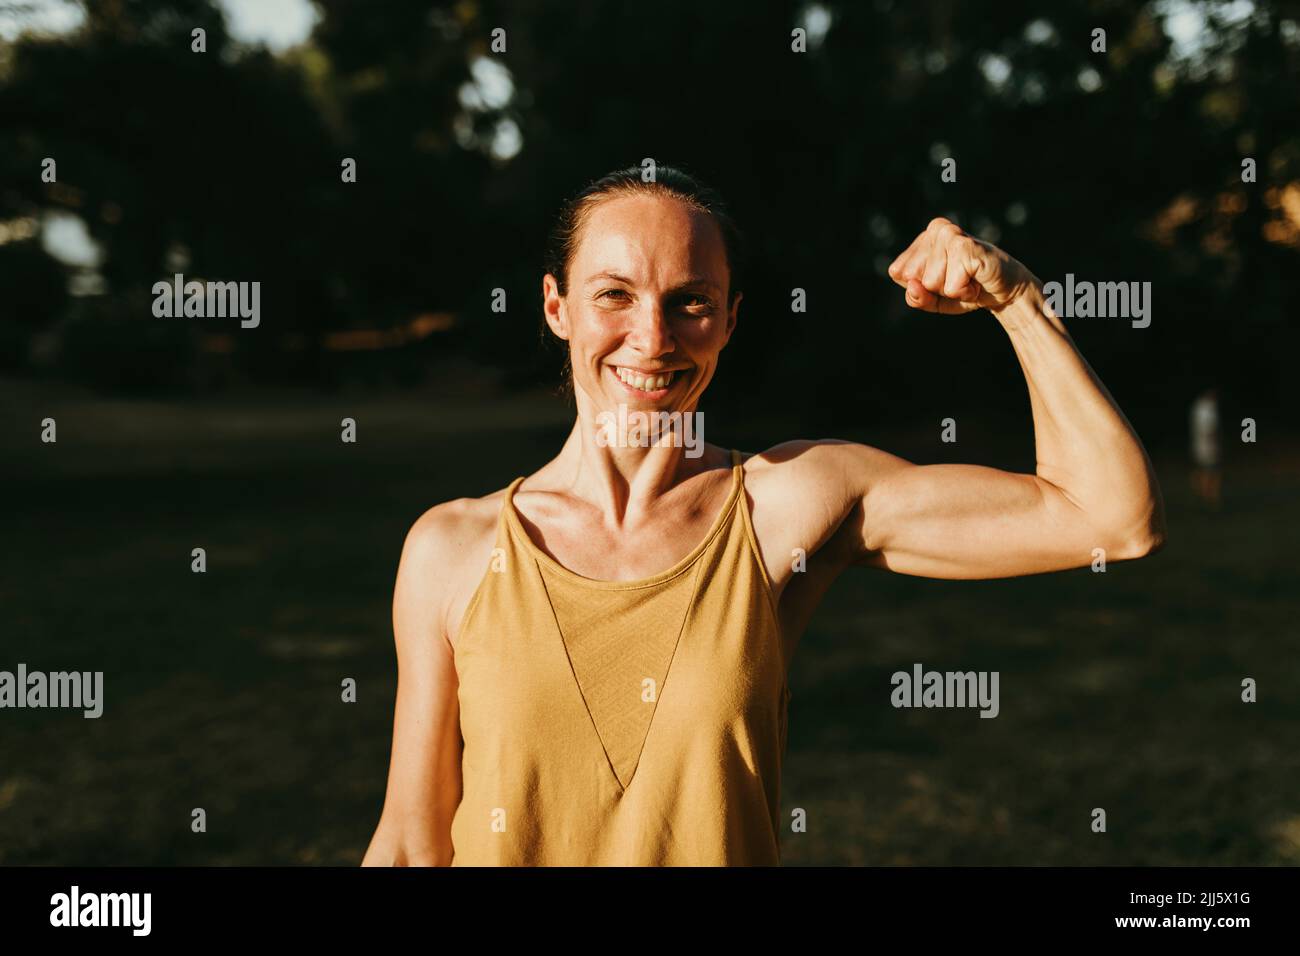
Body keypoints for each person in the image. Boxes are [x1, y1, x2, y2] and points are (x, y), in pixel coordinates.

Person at [361, 165, 1166, 866]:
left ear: (729, 322)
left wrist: (1017, 299)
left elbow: (1109, 518)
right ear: (556, 306)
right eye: (615, 295)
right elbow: (409, 845)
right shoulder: (452, 549)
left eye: (691, 302)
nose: (653, 337)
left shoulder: (790, 505)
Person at [1190, 387, 1222, 508]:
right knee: (1212, 471)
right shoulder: (1208, 408)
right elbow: (1210, 428)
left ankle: (1202, 493)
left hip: (1198, 443)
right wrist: (1214, 445)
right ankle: (1210, 496)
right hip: (1208, 445)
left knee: (1202, 469)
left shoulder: (1197, 406)